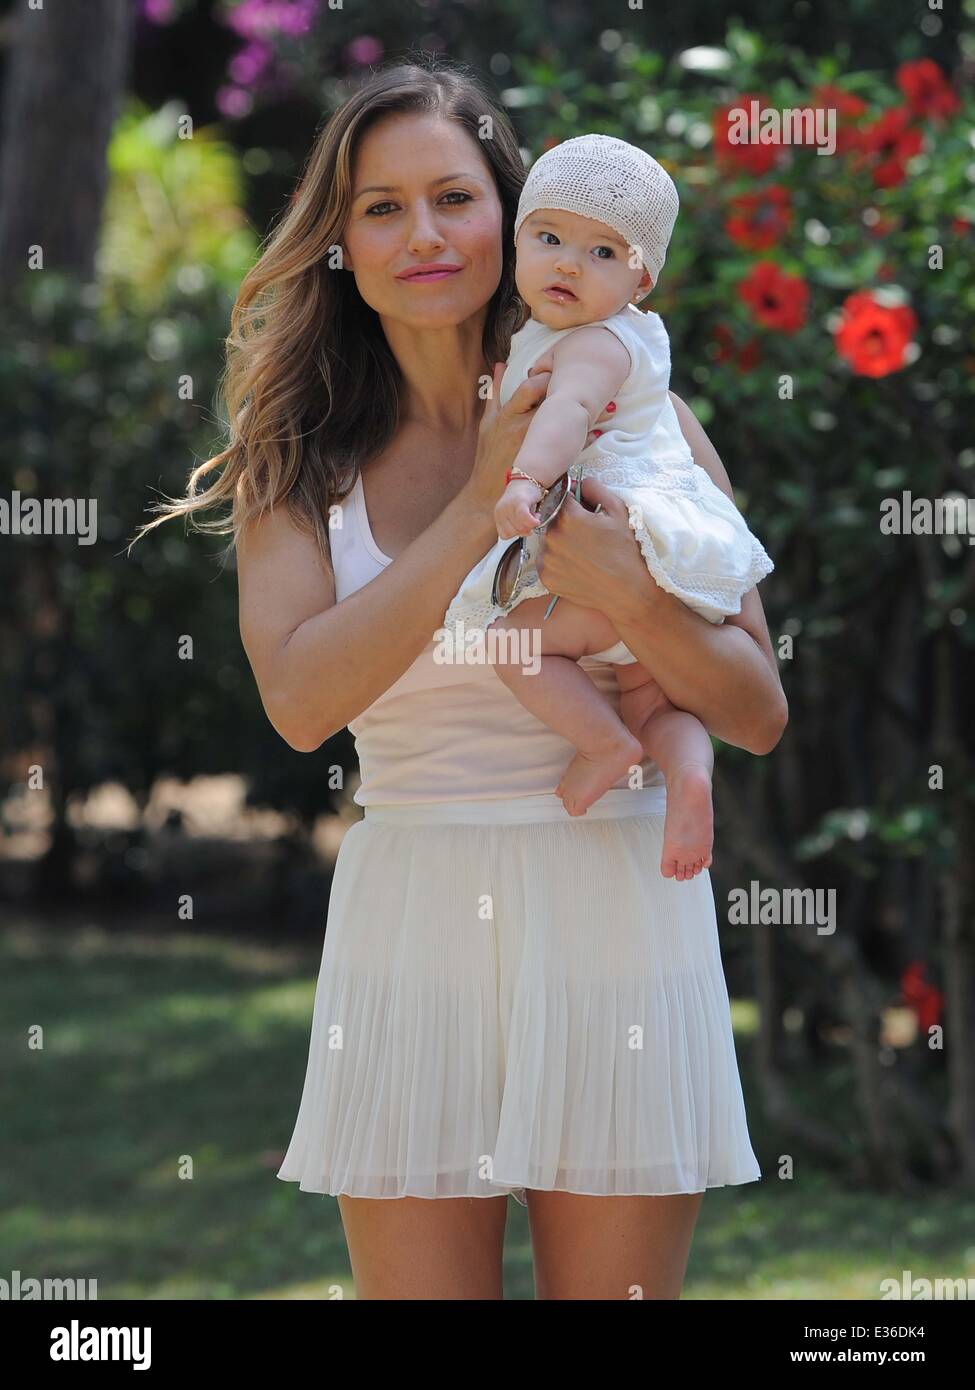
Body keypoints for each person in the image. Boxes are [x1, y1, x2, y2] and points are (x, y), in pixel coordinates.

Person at [131, 57, 787, 1300]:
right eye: (379, 208)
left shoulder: (635, 417)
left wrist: (636, 597)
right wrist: (481, 508)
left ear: (512, 207)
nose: (422, 234)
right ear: (341, 243)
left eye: (454, 197)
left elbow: (755, 710)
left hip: (618, 906)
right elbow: (301, 701)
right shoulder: (295, 461)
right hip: (411, 923)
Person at [443, 134, 775, 874]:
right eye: (550, 237)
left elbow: (566, 415)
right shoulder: (616, 337)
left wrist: (521, 483)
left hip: (618, 547)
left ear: (641, 280)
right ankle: (688, 774)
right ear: (517, 239)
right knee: (654, 698)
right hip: (673, 566)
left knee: (511, 643)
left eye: (602, 253)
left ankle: (603, 743)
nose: (567, 263)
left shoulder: (592, 344)